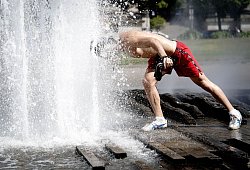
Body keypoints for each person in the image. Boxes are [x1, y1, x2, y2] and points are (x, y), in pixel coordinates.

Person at [119, 30, 242, 131]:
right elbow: (140, 53)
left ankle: (234, 113)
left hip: (176, 51)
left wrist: (164, 57)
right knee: (147, 81)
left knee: (203, 82)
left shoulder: (129, 38)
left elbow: (153, 41)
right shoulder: (125, 45)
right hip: (157, 56)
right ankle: (160, 120)